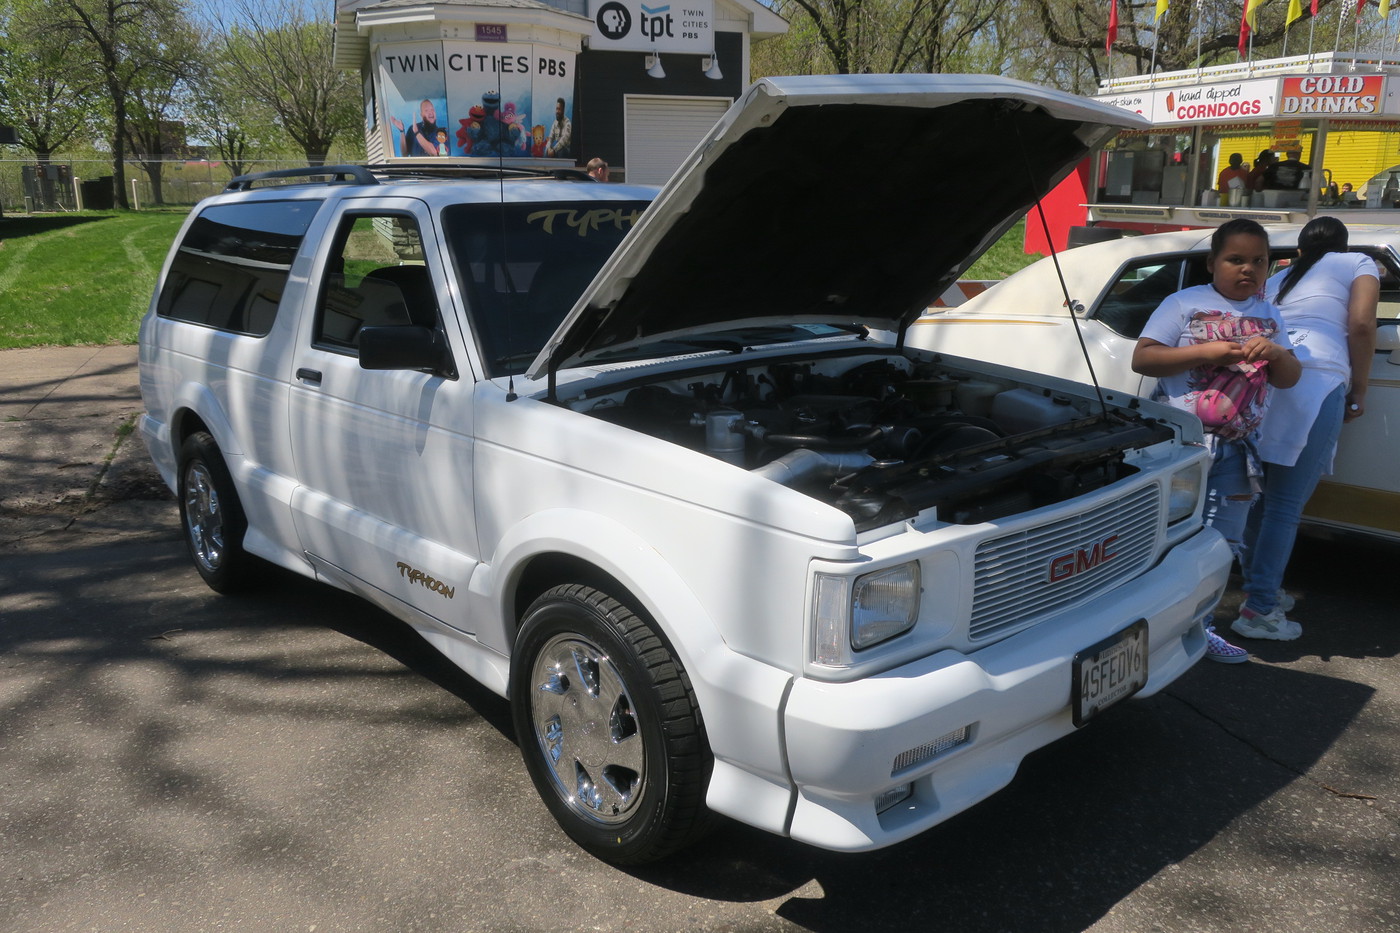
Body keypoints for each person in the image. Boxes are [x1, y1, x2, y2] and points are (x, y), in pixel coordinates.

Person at [1132, 218, 1302, 663]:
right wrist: (1206, 352)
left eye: (1259, 261)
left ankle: (1201, 628)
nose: (1248, 269)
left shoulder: (1269, 314)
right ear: (1212, 263)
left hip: (1239, 452)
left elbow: (1288, 378)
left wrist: (1276, 352)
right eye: (1235, 259)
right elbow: (1143, 358)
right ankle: (1148, 632)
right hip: (1183, 450)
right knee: (1168, 540)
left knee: (1223, 545)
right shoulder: (1184, 302)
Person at [1237, 217, 1379, 640]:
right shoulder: (1358, 263)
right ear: (1344, 245)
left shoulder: (1279, 278)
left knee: (1259, 499)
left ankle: (1260, 593)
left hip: (1269, 380)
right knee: (1284, 505)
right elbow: (1362, 325)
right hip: (1319, 380)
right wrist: (1360, 388)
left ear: (1300, 250)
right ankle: (1260, 609)